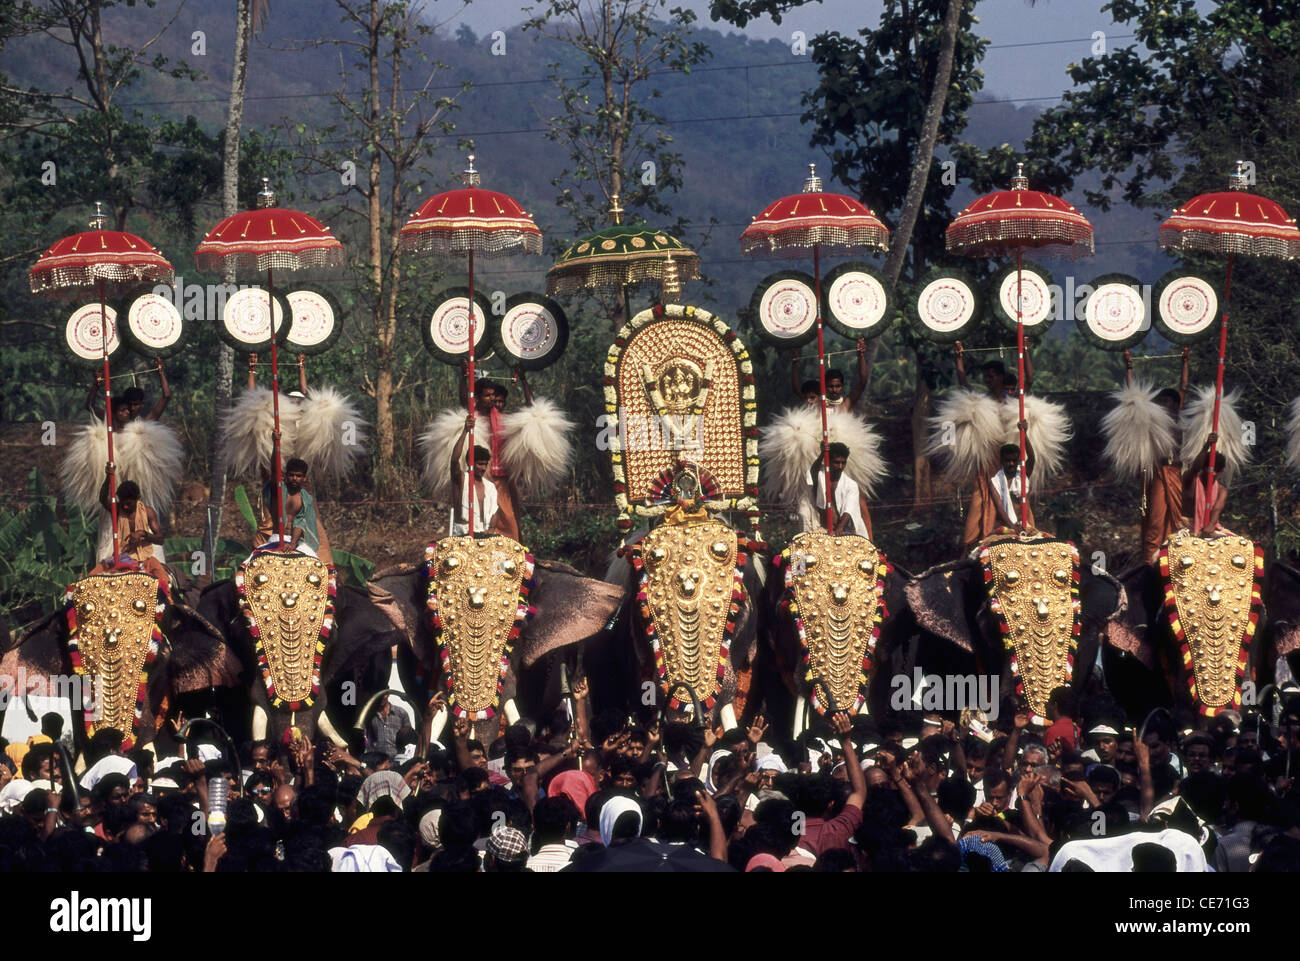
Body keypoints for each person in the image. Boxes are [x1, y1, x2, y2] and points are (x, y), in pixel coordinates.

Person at [449, 414, 518, 539]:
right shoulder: (461, 479)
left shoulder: (490, 486)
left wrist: (491, 528)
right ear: (471, 463)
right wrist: (465, 431)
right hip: (462, 534)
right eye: (480, 464)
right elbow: (454, 460)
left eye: (485, 464)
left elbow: (495, 511)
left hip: (484, 535)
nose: (483, 468)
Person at [256, 457, 334, 565]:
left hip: (297, 542)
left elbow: (300, 522)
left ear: (304, 478)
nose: (294, 478)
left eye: (298, 476)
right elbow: (274, 471)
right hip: (276, 538)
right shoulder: (278, 490)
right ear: (286, 476)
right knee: (250, 566)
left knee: (318, 567)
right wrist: (275, 443)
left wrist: (293, 544)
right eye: (291, 475)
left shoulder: (306, 499)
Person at [91, 476, 168, 580]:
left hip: (145, 558)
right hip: (120, 557)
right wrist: (108, 477)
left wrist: (143, 533)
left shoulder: (148, 512)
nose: (125, 507)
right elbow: (103, 498)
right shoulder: (117, 510)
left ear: (137, 498)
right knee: (92, 577)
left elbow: (160, 540)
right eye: (123, 503)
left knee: (164, 580)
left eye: (129, 503)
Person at [808, 442, 872, 537]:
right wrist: (823, 453)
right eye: (837, 462)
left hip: (845, 531)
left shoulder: (851, 485)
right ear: (828, 461)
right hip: (823, 530)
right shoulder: (821, 477)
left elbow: (849, 509)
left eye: (843, 462)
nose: (840, 466)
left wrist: (840, 527)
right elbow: (812, 471)